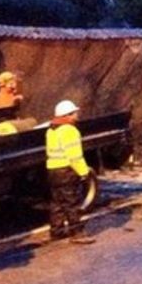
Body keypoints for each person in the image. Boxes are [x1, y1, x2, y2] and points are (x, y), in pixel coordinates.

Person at [45, 100, 95, 244]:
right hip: (66, 170)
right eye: (74, 113)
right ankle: (77, 233)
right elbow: (74, 156)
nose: (76, 115)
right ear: (67, 115)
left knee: (57, 202)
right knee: (72, 202)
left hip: (53, 170)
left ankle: (56, 231)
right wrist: (84, 172)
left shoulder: (51, 130)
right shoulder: (70, 131)